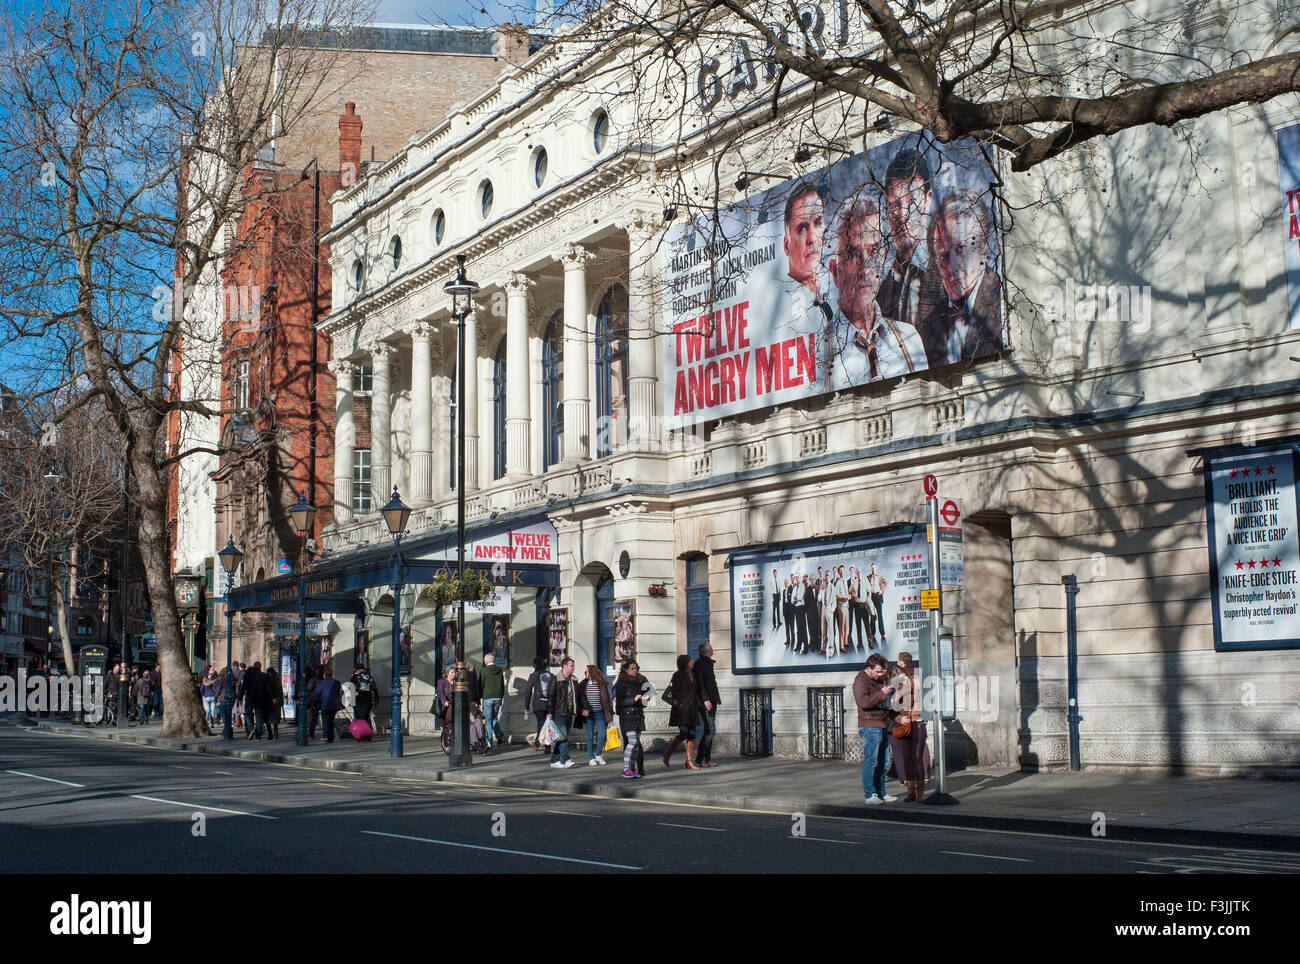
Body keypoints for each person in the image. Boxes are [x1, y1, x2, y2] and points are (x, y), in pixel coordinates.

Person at [827, 193, 926, 388]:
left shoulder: (909, 338)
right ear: (834, 270)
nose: (866, 267)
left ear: (884, 259)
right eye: (853, 254)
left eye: (873, 251)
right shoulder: (820, 350)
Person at [919, 189, 1003, 369]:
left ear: (983, 244)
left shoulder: (1006, 302)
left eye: (960, 248)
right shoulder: (926, 328)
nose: (951, 266)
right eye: (942, 255)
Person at [877, 147, 941, 334]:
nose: (901, 215)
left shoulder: (946, 272)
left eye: (911, 202)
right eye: (894, 204)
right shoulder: (882, 281)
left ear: (927, 201)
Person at [853, 653, 899, 805]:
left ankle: (881, 792)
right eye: (878, 671)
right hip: (869, 724)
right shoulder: (860, 681)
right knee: (871, 761)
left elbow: (885, 699)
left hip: (883, 723)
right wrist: (882, 694)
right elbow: (864, 702)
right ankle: (870, 794)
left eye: (882, 672)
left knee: (883, 761)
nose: (881, 675)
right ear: (869, 668)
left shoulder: (880, 679)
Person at [888, 651, 931, 802]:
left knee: (917, 758)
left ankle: (920, 794)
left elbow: (919, 698)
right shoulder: (897, 690)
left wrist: (904, 692)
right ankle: (910, 792)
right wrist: (899, 718)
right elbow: (891, 712)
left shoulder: (916, 681)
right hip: (904, 727)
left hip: (917, 724)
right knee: (906, 759)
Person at [662, 654, 700, 770]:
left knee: (692, 734)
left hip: (692, 708)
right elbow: (673, 692)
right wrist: (678, 703)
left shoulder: (694, 674)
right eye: (690, 661)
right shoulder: (677, 675)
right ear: (685, 663)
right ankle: (667, 754)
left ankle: (689, 761)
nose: (692, 662)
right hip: (682, 710)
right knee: (684, 733)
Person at [614, 659, 648, 778]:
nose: (635, 671)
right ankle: (626, 768)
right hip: (627, 716)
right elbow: (620, 702)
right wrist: (633, 699)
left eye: (636, 668)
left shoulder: (640, 680)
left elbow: (649, 691)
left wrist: (646, 697)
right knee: (632, 741)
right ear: (626, 670)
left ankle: (632, 769)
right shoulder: (621, 683)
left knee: (636, 744)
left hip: (638, 715)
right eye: (632, 669)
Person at [544, 656, 579, 769]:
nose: (574, 667)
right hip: (559, 712)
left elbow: (576, 697)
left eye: (573, 665)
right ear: (564, 666)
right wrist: (549, 712)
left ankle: (554, 760)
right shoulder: (556, 679)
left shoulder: (574, 680)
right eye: (571, 665)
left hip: (569, 712)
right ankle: (567, 759)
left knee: (562, 737)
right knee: (563, 736)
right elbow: (551, 696)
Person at [577, 664, 613, 766]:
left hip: (600, 713)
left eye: (587, 672)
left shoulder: (601, 684)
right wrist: (581, 710)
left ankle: (598, 754)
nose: (585, 674)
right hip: (588, 714)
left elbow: (607, 700)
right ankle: (591, 757)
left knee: (602, 735)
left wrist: (609, 714)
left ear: (592, 672)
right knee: (589, 737)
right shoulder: (583, 684)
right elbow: (579, 699)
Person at [693, 643, 720, 767]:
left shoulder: (707, 662)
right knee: (710, 728)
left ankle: (705, 758)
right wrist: (705, 700)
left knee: (709, 729)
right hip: (706, 701)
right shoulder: (700, 664)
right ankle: (702, 759)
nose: (713, 650)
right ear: (707, 651)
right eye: (711, 648)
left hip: (711, 699)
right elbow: (701, 684)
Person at [523, 657, 555, 750]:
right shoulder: (551, 675)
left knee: (541, 723)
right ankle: (547, 746)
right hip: (549, 703)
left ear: (535, 665)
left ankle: (537, 743)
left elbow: (528, 691)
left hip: (538, 703)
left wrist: (526, 706)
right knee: (547, 724)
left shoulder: (533, 675)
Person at [479, 652, 506, 751]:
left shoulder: (484, 671)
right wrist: (501, 696)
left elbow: (481, 684)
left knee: (488, 719)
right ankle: (498, 734)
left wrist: (480, 696)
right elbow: (502, 685)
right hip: (498, 697)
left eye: (485, 659)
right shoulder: (499, 670)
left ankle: (489, 741)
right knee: (494, 717)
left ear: (488, 660)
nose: (484, 661)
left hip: (488, 698)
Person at [237, 661, 269, 740]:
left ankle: (251, 729)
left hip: (250, 697)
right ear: (260, 667)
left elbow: (243, 687)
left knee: (248, 714)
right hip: (260, 698)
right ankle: (258, 735)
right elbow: (267, 688)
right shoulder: (263, 675)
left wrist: (240, 698)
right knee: (258, 717)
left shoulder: (248, 675)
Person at [312, 666, 344, 744]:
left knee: (326, 720)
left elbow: (316, 693)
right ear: (331, 674)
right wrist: (337, 699)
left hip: (325, 703)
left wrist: (314, 702)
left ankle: (327, 736)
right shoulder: (337, 682)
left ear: (324, 675)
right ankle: (331, 736)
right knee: (331, 719)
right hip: (334, 704)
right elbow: (341, 692)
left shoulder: (322, 682)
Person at [866, 563, 888, 645]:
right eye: (872, 568)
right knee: (872, 615)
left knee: (880, 615)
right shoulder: (868, 577)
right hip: (871, 597)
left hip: (878, 597)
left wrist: (882, 591)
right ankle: (872, 633)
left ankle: (882, 634)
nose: (873, 570)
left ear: (876, 569)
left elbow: (886, 583)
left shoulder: (880, 575)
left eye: (874, 568)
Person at [351, 662, 376, 727]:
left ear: (355, 668)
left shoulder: (355, 675)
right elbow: (374, 687)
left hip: (358, 699)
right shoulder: (369, 675)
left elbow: (352, 688)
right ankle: (368, 730)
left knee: (357, 716)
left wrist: (351, 700)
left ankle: (359, 731)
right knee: (367, 715)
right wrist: (376, 699)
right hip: (368, 699)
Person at [266, 668, 283, 739]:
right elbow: (280, 690)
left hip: (269, 699)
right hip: (277, 699)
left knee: (267, 717)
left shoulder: (266, 678)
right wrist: (281, 700)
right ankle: (276, 733)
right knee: (275, 718)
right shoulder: (277, 678)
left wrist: (272, 697)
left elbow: (267, 689)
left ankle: (270, 734)